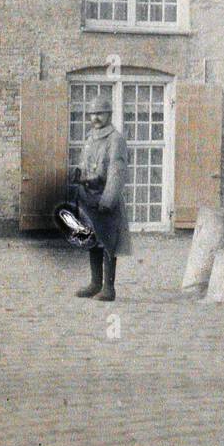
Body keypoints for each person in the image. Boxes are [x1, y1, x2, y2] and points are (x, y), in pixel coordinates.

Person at [73, 102, 132, 302]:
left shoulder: (116, 139)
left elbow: (117, 172)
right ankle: (95, 283)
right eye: (92, 114)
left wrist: (108, 200)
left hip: (106, 198)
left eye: (100, 113)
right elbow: (83, 164)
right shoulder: (90, 138)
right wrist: (78, 179)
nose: (96, 117)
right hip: (89, 196)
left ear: (109, 114)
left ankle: (109, 287)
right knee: (92, 239)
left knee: (108, 241)